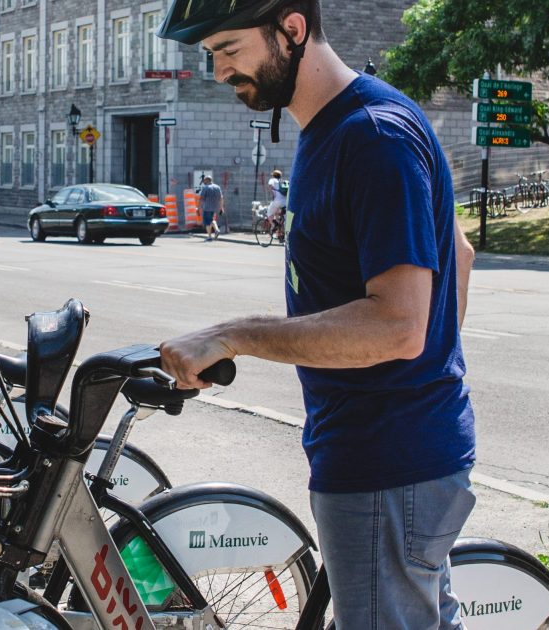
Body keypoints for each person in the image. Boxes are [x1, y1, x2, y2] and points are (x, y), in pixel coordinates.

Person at [157, 1, 478, 628]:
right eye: (211, 56)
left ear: (292, 30)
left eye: (229, 49)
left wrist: (231, 336)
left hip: (386, 463)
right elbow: (457, 252)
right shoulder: (332, 129)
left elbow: (398, 325)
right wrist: (423, 366)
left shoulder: (372, 136)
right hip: (388, 454)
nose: (220, 71)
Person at [197, 175, 224, 240]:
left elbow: (201, 199)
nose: (204, 182)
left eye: (205, 180)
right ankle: (216, 230)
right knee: (212, 220)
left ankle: (209, 236)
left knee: (207, 222)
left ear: (207, 180)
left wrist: (198, 208)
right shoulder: (217, 187)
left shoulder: (205, 188)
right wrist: (221, 207)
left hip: (207, 207)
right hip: (215, 207)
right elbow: (221, 198)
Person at [266, 169, 288, 236]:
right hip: (285, 202)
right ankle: (281, 234)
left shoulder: (272, 180)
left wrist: (273, 194)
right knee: (282, 216)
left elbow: (270, 186)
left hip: (277, 201)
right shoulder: (282, 181)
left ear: (273, 175)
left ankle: (274, 224)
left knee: (269, 213)